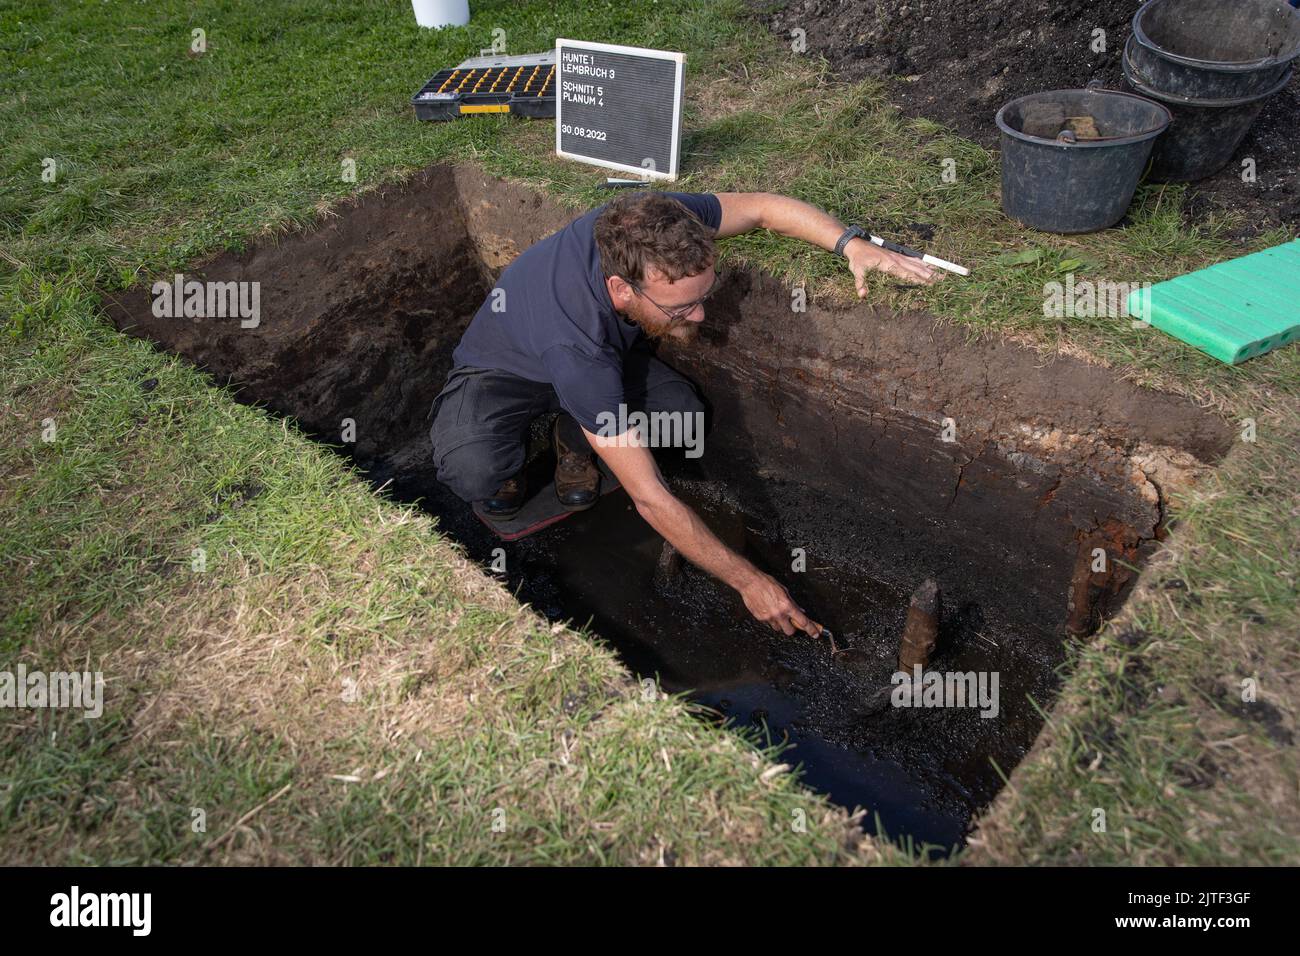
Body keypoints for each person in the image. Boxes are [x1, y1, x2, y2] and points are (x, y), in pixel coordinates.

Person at [429, 190, 937, 637]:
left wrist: (851, 243)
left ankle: (578, 428)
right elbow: (650, 499)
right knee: (473, 472)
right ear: (619, 290)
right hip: (508, 371)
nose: (698, 317)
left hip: (600, 371)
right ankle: (547, 437)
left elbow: (762, 209)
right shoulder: (577, 348)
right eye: (679, 310)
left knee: (682, 416)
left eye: (701, 298)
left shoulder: (651, 223)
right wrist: (749, 582)